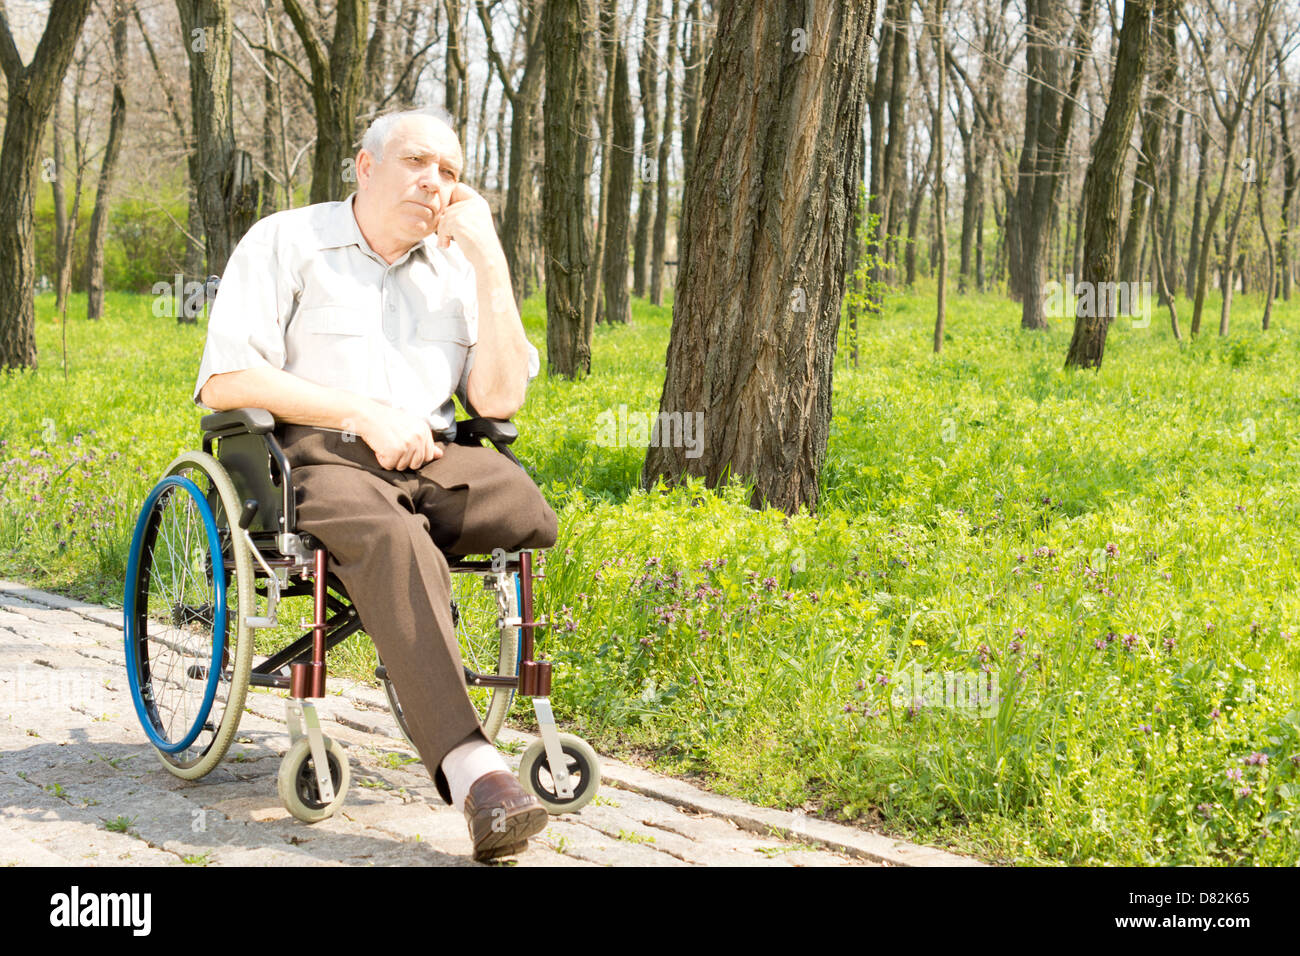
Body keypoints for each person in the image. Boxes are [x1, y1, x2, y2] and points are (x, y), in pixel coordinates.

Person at [193, 107, 555, 862]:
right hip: (313, 455)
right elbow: (227, 378)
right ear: (365, 166)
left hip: (427, 454)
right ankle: (475, 771)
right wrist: (362, 413)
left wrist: (489, 262)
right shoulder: (287, 241)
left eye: (451, 173)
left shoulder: (457, 268)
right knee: (389, 535)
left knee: (523, 505)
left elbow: (496, 401)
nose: (435, 183)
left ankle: (407, 589)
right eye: (419, 162)